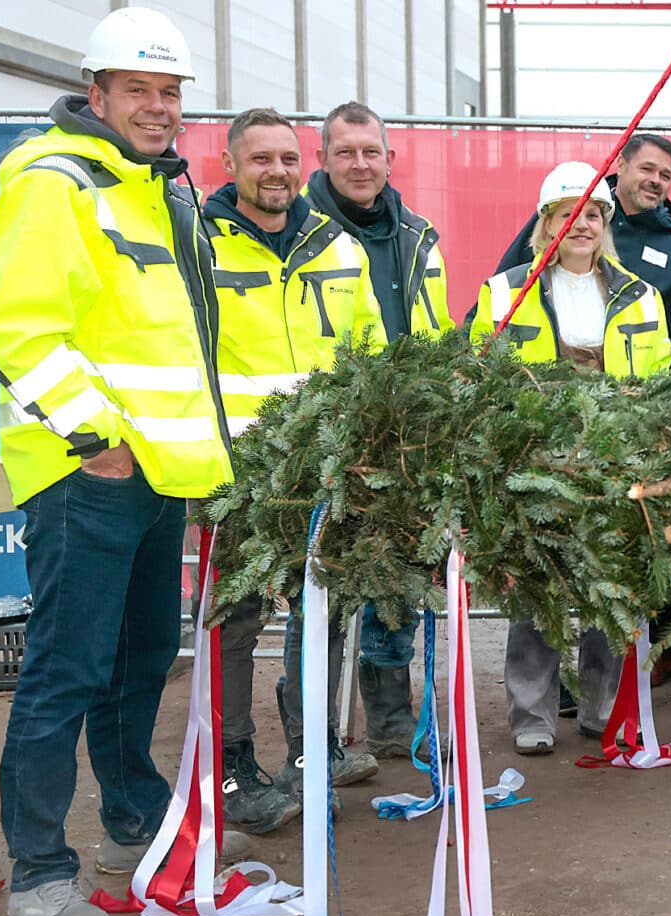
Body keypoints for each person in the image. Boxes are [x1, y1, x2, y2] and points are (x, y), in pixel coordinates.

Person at [0, 9, 251, 916]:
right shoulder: (56, 181)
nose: (158, 107)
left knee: (140, 661)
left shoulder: (158, 189)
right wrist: (98, 441)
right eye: (138, 89)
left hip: (157, 475)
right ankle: (40, 873)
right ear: (95, 94)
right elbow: (18, 329)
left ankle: (137, 821)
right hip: (87, 475)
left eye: (171, 92)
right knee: (66, 670)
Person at [207, 107, 387, 834]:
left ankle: (312, 757)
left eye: (287, 159)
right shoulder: (198, 244)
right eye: (261, 159)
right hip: (234, 471)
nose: (276, 172)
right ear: (230, 166)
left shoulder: (337, 246)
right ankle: (233, 771)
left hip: (322, 468)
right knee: (234, 623)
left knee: (323, 615)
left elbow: (369, 351)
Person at [472, 160, 671, 752]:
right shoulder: (505, 292)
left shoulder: (640, 296)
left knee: (608, 586)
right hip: (536, 458)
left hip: (614, 458)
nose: (581, 225)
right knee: (536, 588)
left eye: (592, 214)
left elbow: (659, 375)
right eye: (568, 214)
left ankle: (602, 709)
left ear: (605, 223)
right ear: (546, 223)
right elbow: (483, 369)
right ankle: (532, 718)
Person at [301, 99, 455, 762]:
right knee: (327, 584)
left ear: (390, 159)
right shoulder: (299, 233)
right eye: (346, 152)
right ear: (322, 159)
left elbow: (436, 327)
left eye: (371, 152)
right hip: (326, 432)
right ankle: (315, 735)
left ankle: (390, 717)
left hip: (406, 433)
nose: (360, 164)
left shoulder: (418, 235)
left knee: (398, 576)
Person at [492, 133, 671, 316]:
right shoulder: (567, 212)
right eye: (646, 169)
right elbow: (503, 288)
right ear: (621, 165)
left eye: (665, 175)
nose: (655, 180)